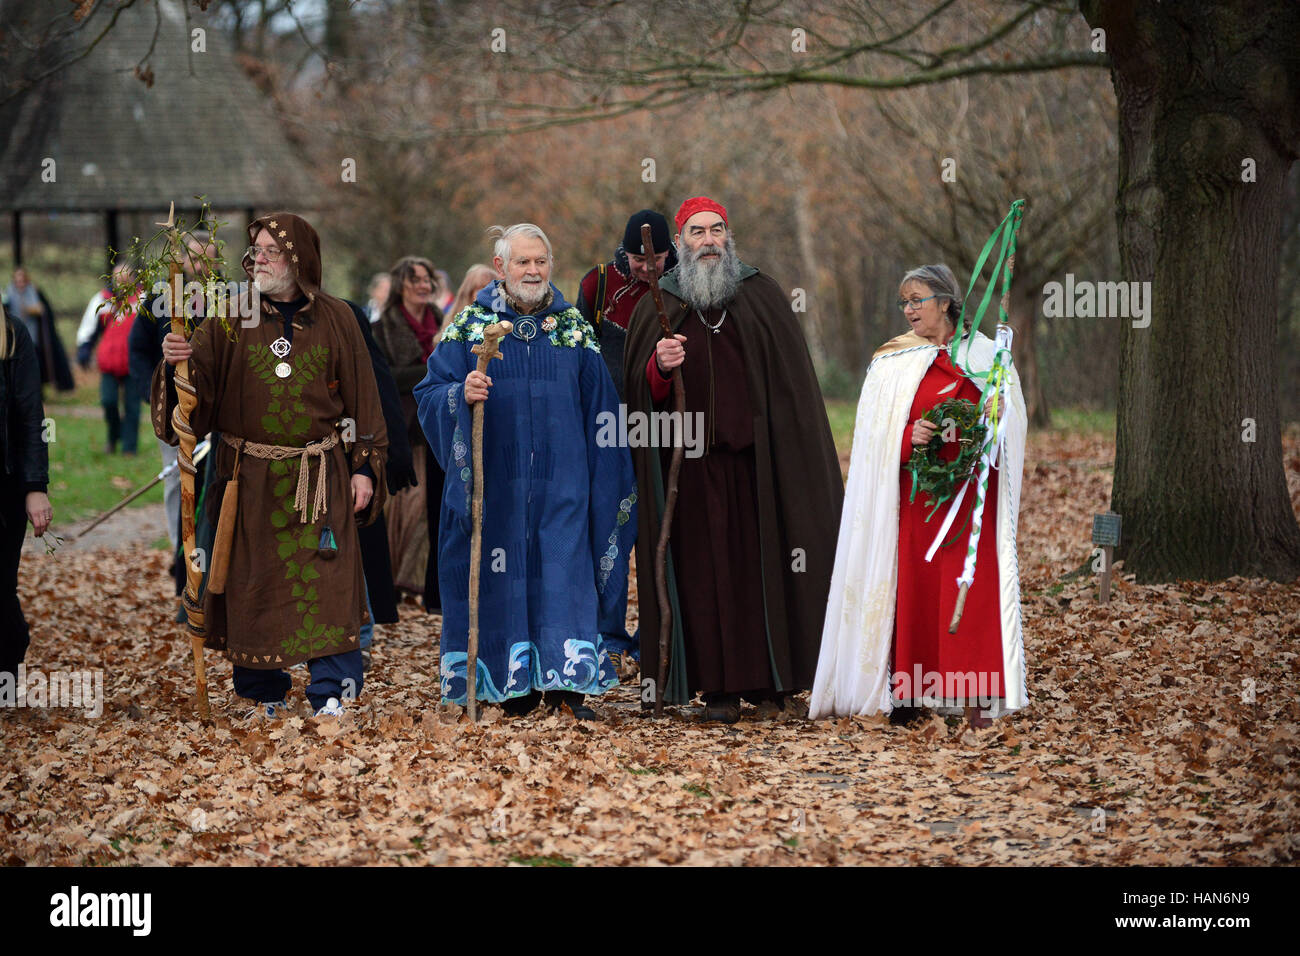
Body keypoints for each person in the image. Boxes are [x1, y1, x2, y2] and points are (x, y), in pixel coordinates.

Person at [155, 213, 388, 719]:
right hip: (250, 480)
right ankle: (265, 694)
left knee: (330, 582)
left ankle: (331, 692)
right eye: (255, 249)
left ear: (299, 258)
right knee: (254, 582)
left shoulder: (338, 318)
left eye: (270, 251)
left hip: (318, 477)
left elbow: (365, 400)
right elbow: (199, 401)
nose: (258, 259)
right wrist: (178, 362)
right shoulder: (230, 316)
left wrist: (364, 467)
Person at [623, 197, 843, 723]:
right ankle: (717, 691)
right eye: (696, 231)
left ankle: (772, 687)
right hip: (690, 472)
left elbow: (792, 390)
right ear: (679, 242)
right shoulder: (661, 302)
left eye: (716, 229)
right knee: (703, 580)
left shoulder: (761, 294)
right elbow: (638, 391)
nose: (708, 240)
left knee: (765, 572)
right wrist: (659, 365)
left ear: (729, 235)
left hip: (759, 470)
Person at [415, 223, 635, 720]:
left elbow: (602, 411)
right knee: (505, 576)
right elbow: (428, 393)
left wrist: (607, 476)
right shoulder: (471, 327)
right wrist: (459, 396)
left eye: (540, 262)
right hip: (498, 489)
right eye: (522, 262)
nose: (532, 271)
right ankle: (510, 686)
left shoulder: (574, 330)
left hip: (565, 486)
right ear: (500, 268)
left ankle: (566, 687)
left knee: (564, 574)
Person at [808, 264, 1028, 730]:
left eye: (918, 300)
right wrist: (910, 435)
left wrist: (997, 416)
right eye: (904, 301)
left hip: (970, 500)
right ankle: (910, 692)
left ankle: (973, 700)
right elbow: (874, 435)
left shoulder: (988, 355)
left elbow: (1008, 426)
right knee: (915, 591)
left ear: (945, 302)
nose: (909, 309)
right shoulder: (893, 361)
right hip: (916, 500)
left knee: (967, 590)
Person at [573, 210, 677, 669]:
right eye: (639, 258)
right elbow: (578, 352)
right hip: (608, 428)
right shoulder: (598, 284)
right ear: (626, 252)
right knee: (610, 533)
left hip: (667, 428)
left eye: (656, 258)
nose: (648, 268)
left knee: (662, 532)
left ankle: (656, 636)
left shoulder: (682, 285)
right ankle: (609, 636)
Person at [372, 256, 442, 605]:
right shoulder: (384, 326)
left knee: (427, 507)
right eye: (416, 280)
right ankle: (397, 579)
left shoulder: (443, 321)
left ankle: (417, 579)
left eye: (427, 279)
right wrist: (430, 369)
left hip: (435, 425)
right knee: (402, 504)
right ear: (401, 286)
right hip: (401, 428)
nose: (423, 285)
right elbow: (386, 376)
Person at [0, 305, 52, 685]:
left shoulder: (13, 334)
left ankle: (6, 673)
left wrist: (35, 487)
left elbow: (33, 415)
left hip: (5, 488)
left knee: (0, 588)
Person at [77, 263, 141, 455]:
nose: (121, 280)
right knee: (108, 401)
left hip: (133, 362)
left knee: (132, 407)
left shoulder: (143, 300)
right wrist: (84, 350)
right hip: (108, 361)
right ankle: (113, 436)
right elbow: (89, 327)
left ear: (132, 278)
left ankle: (129, 448)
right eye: (117, 276)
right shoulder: (102, 300)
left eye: (125, 276)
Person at [2, 268, 74, 394]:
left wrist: (32, 310)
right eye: (17, 280)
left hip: (32, 335)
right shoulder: (9, 292)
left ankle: (37, 392)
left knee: (33, 365)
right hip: (14, 336)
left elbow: (41, 310)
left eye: (22, 280)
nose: (20, 283)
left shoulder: (32, 291)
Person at [442, 264, 494, 337]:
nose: (486, 293)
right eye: (480, 288)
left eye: (490, 289)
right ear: (469, 293)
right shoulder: (456, 325)